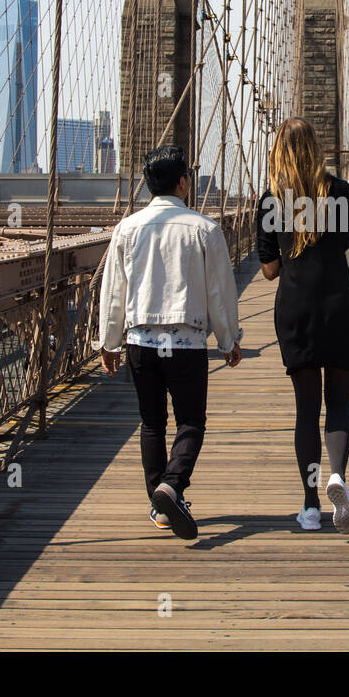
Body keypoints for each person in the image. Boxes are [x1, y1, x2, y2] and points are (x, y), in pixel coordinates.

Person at [97, 144, 243, 540]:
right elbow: (219, 293)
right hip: (187, 342)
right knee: (191, 421)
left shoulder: (126, 229)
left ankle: (159, 506)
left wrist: (108, 343)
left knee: (151, 423)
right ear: (181, 182)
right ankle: (173, 486)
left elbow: (114, 292)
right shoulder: (205, 229)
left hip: (141, 342)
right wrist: (229, 338)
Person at [255, 117, 349, 534]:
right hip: (342, 309)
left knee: (306, 409)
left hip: (297, 312)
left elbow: (269, 269)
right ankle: (338, 476)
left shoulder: (272, 200)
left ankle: (309, 507)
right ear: (318, 149)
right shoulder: (345, 192)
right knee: (339, 403)